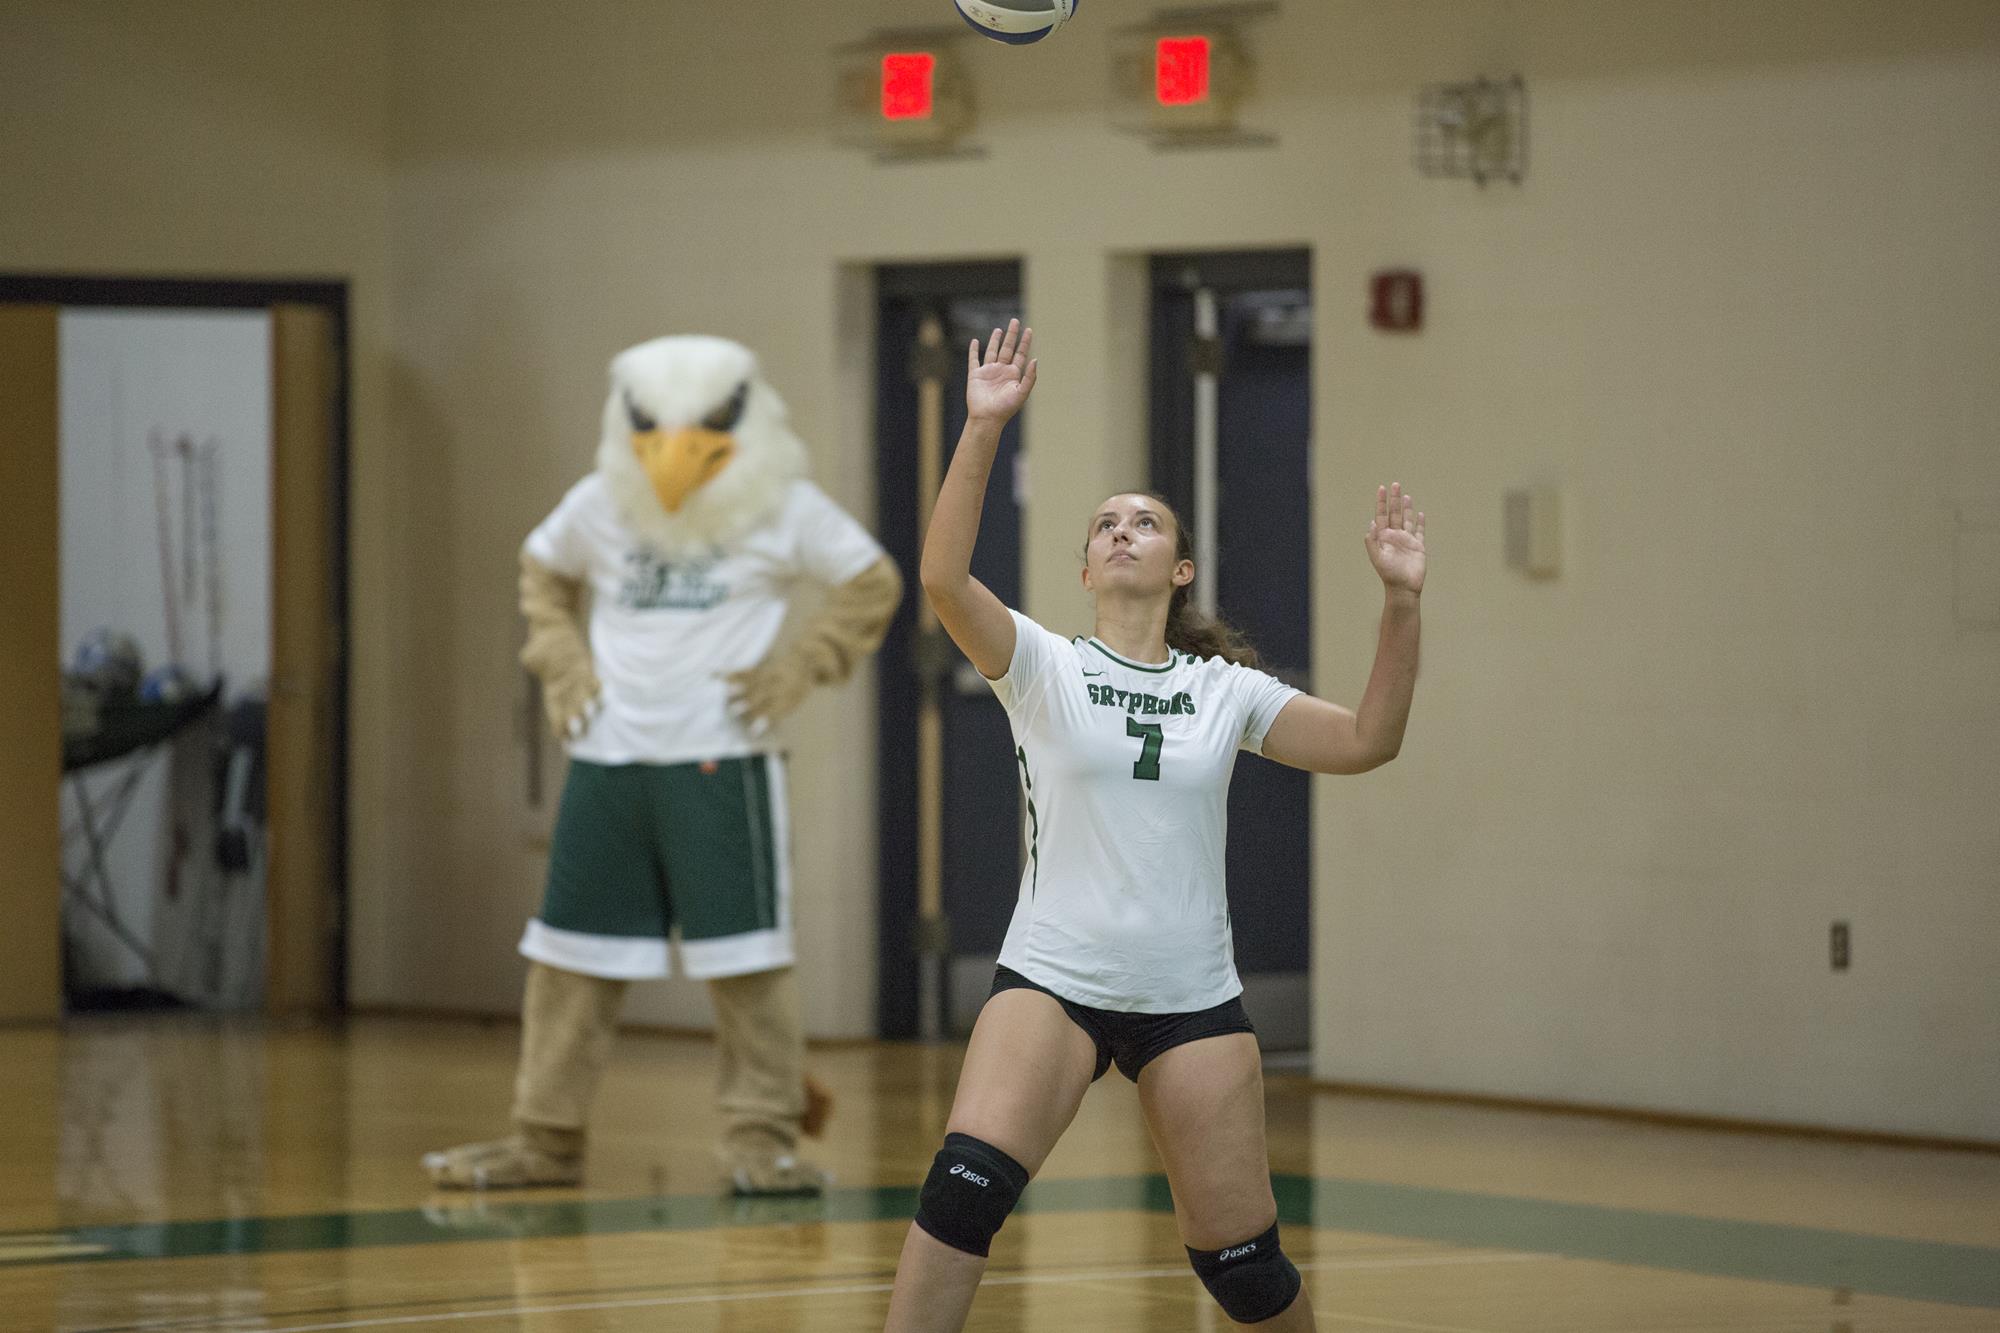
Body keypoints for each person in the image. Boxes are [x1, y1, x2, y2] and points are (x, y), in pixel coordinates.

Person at [883, 320, 1425, 1329]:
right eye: (1103, 525)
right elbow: (943, 582)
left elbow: (1365, 740)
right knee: (960, 1192)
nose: (1122, 530)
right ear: (1086, 568)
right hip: (1054, 976)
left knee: (1243, 1268)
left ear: (1181, 569)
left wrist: (1399, 603)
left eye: (1146, 523)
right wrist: (981, 427)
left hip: (1189, 996)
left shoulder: (1225, 690)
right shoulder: (1044, 666)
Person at [423, 334, 902, 1196]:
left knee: (747, 962)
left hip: (723, 760)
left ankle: (759, 1140)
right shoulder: (600, 501)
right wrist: (562, 658)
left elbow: (871, 580)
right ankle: (545, 1137)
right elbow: (542, 568)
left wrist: (803, 663)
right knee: (569, 960)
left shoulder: (783, 506)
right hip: (607, 758)